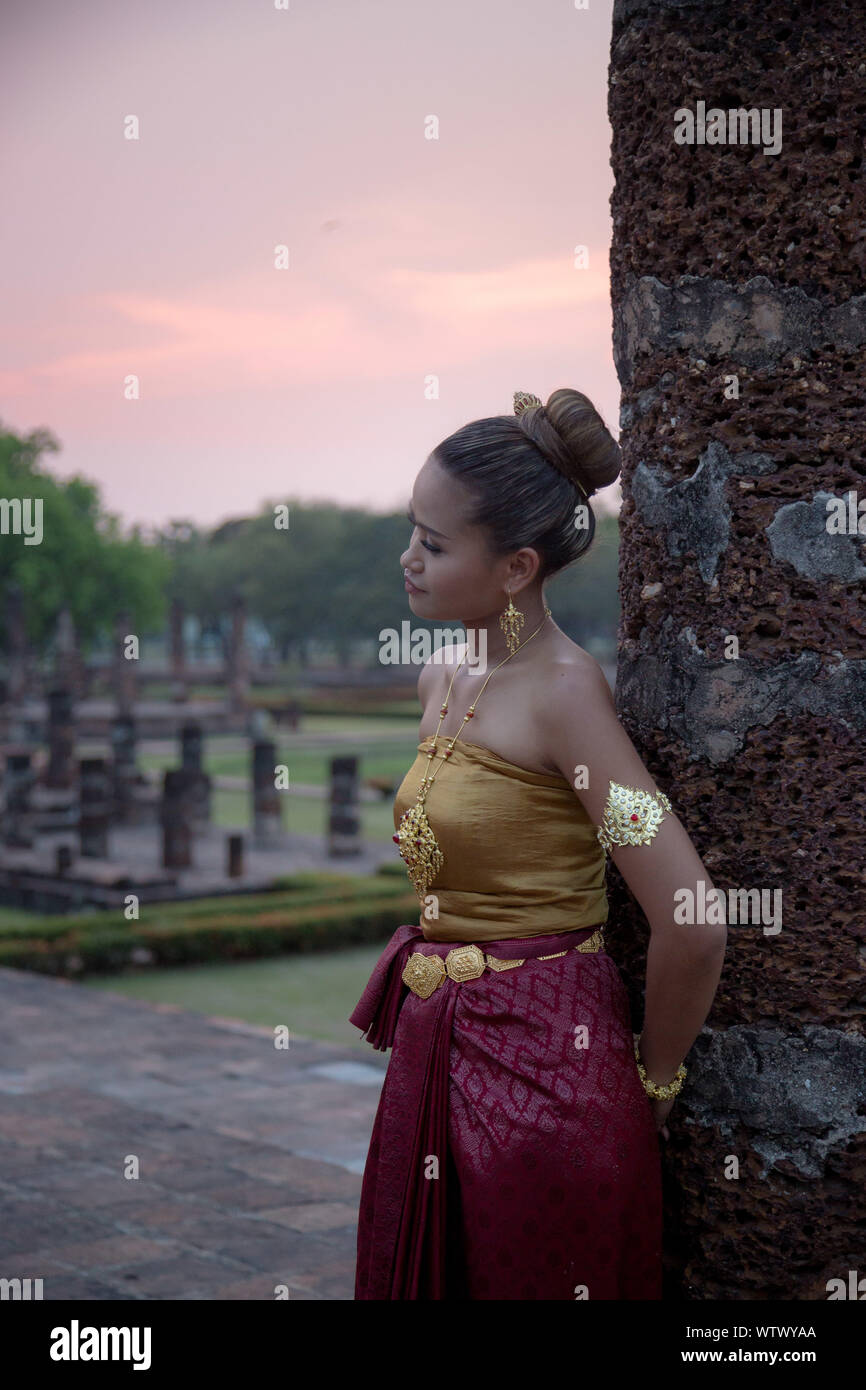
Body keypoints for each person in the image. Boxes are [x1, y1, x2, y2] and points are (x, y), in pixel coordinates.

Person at [350, 388, 727, 1300]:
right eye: (412, 532)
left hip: (549, 1078)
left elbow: (692, 917)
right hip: (433, 1057)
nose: (408, 559)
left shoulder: (563, 696)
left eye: (434, 544)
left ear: (517, 566)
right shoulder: (442, 677)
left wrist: (655, 1084)